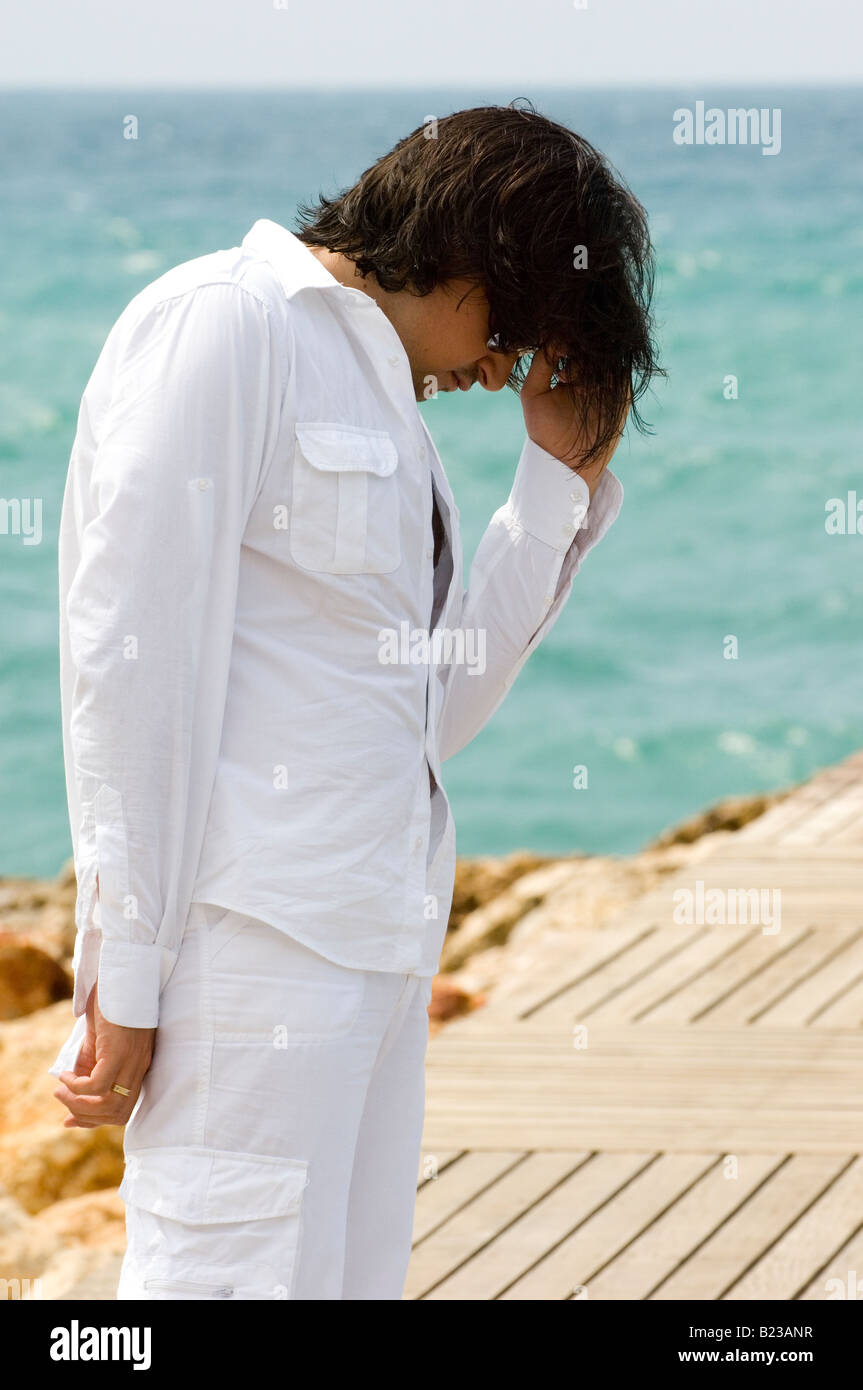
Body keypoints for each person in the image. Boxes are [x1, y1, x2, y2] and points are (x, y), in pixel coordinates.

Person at [49, 102, 660, 1300]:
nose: (500, 372)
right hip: (252, 952)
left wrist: (554, 488)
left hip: (373, 950)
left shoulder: (387, 403)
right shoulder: (228, 324)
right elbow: (130, 659)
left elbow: (418, 719)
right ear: (470, 255)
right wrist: (124, 975)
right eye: (517, 330)